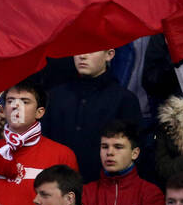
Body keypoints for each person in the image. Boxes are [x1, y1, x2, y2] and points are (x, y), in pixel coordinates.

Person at [44, 49, 143, 182]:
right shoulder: (55, 97)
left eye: (91, 50)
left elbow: (133, 154)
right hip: (58, 186)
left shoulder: (124, 100)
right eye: (78, 50)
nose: (82, 56)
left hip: (106, 189)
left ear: (109, 54)